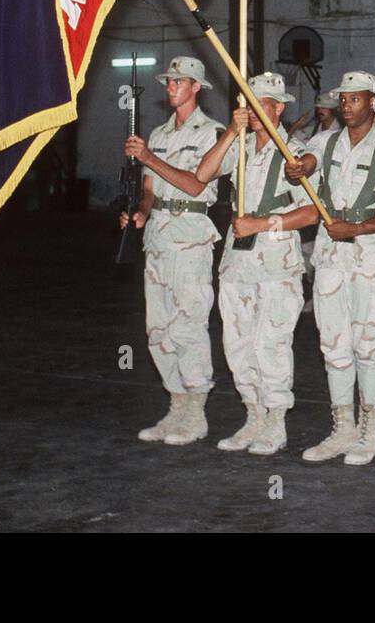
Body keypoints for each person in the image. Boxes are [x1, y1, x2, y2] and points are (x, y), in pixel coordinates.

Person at [279, 71, 375, 465]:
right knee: (333, 345)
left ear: (373, 103)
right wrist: (298, 168)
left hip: (370, 254)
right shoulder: (326, 139)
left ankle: (368, 430)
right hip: (331, 257)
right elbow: (308, 161)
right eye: (343, 100)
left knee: (367, 346)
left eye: (355, 99)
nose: (346, 106)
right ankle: (342, 427)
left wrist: (360, 228)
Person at [194, 73, 311, 454]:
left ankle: (275, 420)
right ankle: (253, 416)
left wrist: (264, 223)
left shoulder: (297, 154)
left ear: (280, 108)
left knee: (271, 344)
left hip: (277, 260)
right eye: (251, 102)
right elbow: (203, 174)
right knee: (238, 342)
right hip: (237, 260)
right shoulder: (241, 147)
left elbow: (313, 213)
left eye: (265, 103)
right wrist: (230, 132)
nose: (256, 110)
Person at [120, 57, 225, 445]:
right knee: (158, 328)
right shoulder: (159, 133)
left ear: (196, 87)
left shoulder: (211, 134)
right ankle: (176, 406)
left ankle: (196, 412)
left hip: (191, 237)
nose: (171, 86)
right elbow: (150, 187)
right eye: (169, 80)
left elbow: (195, 185)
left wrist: (148, 157)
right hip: (160, 239)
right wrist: (141, 212)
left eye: (179, 81)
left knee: (188, 325)